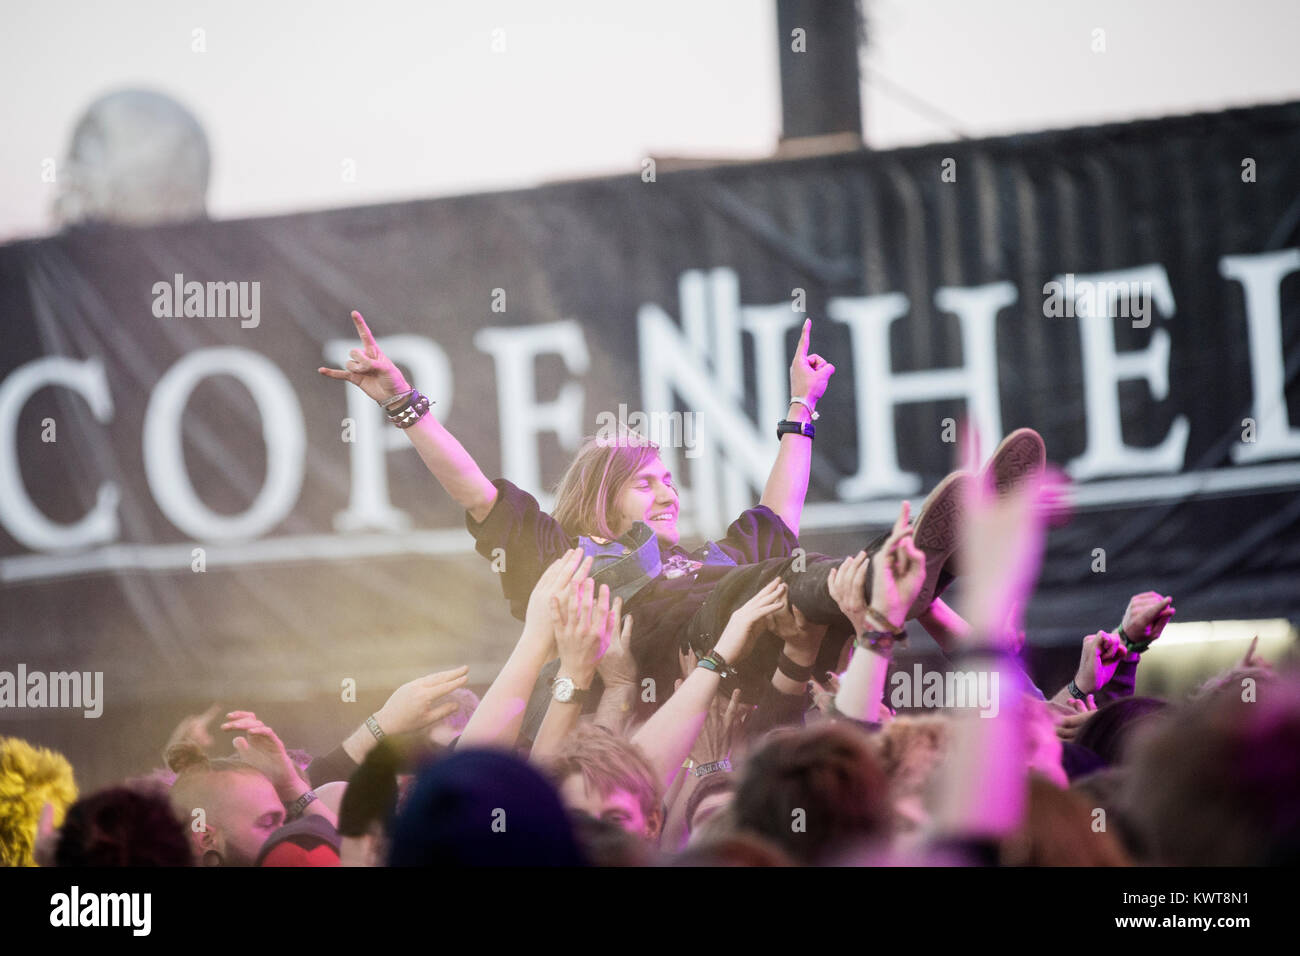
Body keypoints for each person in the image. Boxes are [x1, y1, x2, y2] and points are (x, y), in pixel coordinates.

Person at [318, 311, 1000, 712]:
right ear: (598, 500)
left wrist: (802, 403)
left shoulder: (709, 558)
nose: (670, 493)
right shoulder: (566, 564)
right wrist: (401, 403)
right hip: (686, 658)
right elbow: (473, 489)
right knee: (769, 577)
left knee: (784, 568)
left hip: (781, 647)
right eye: (647, 484)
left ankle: (914, 572)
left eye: (671, 481)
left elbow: (779, 510)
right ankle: (895, 576)